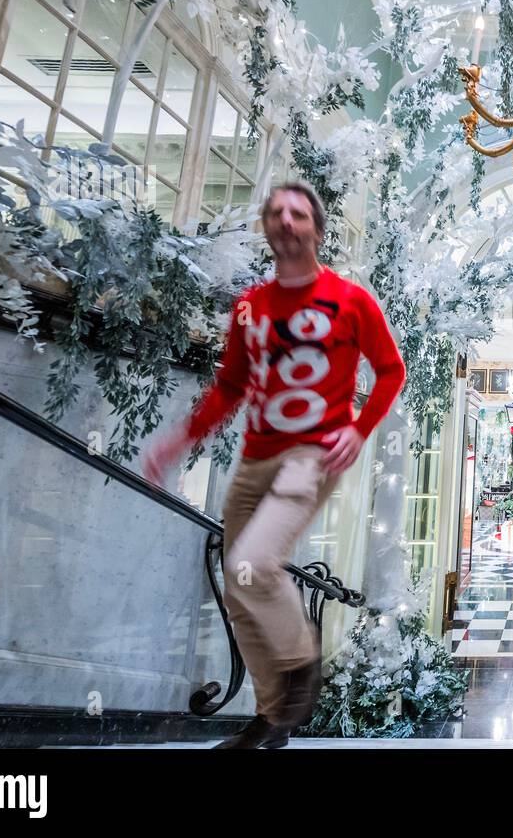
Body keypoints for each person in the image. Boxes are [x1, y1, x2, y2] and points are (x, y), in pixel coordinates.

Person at [142, 181, 405, 749]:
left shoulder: (351, 301)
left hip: (313, 454)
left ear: (318, 230)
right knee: (239, 585)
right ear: (266, 227)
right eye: (276, 213)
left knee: (254, 563)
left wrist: (359, 430)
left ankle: (301, 658)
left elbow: (391, 369)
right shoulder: (250, 307)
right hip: (255, 459)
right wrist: (179, 441)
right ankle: (272, 718)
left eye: (299, 214)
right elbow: (230, 386)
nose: (286, 220)